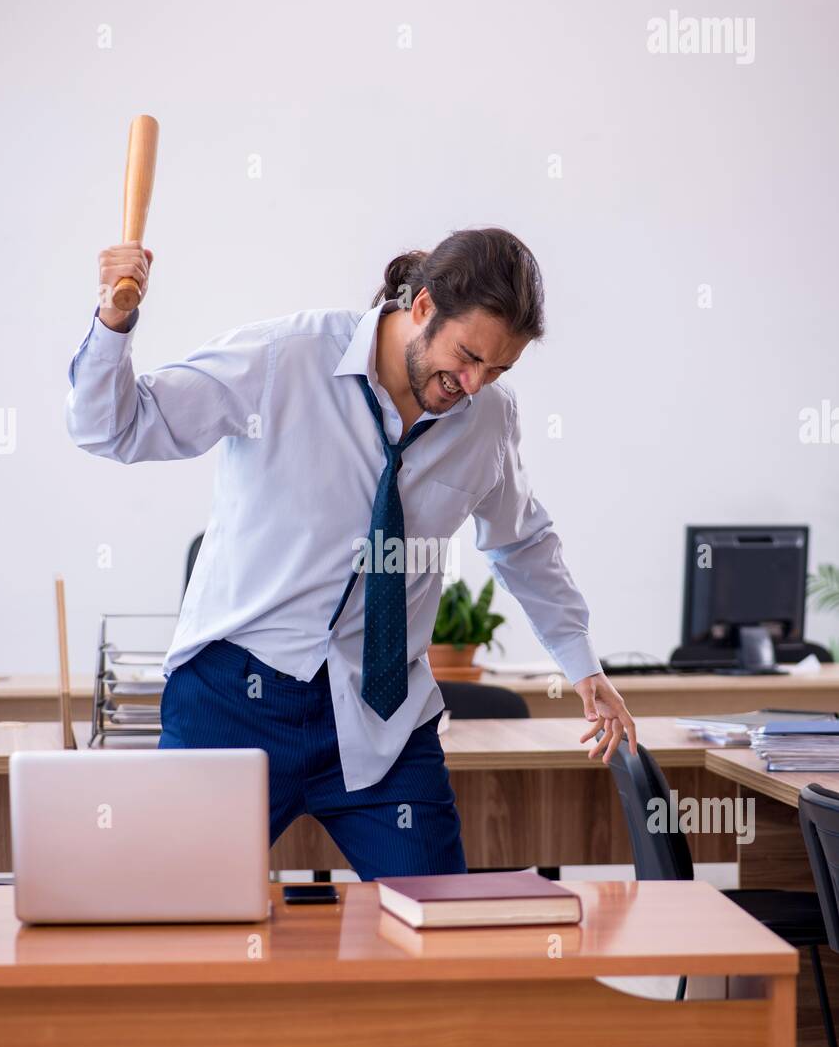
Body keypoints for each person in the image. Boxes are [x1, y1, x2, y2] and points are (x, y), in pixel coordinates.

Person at [67, 227, 636, 879]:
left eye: (497, 369)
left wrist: (581, 664)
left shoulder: (487, 418)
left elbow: (523, 543)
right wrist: (116, 318)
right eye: (467, 355)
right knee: (178, 921)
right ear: (421, 307)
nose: (473, 384)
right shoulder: (284, 360)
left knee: (439, 938)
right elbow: (111, 426)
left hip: (382, 715)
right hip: (232, 699)